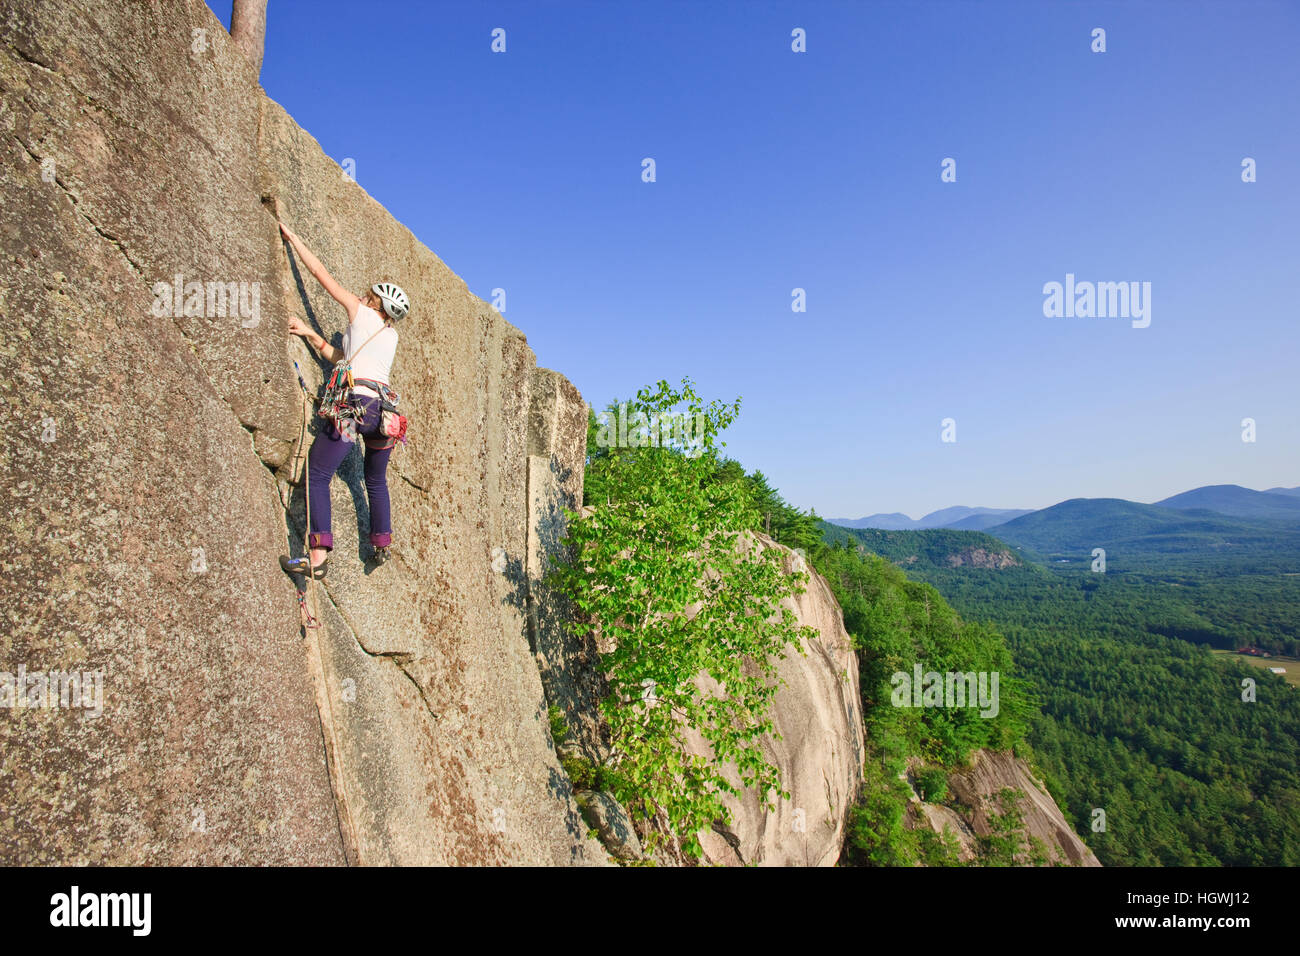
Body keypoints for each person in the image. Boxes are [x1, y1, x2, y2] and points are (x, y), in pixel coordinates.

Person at [277, 221, 410, 579]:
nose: (362, 297)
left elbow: (320, 273)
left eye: (369, 295)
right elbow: (344, 358)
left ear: (376, 303)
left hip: (356, 409)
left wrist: (293, 237)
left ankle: (317, 557)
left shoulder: (360, 311)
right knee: (376, 480)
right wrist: (309, 333)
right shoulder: (390, 337)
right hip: (385, 415)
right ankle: (382, 542)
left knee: (319, 472)